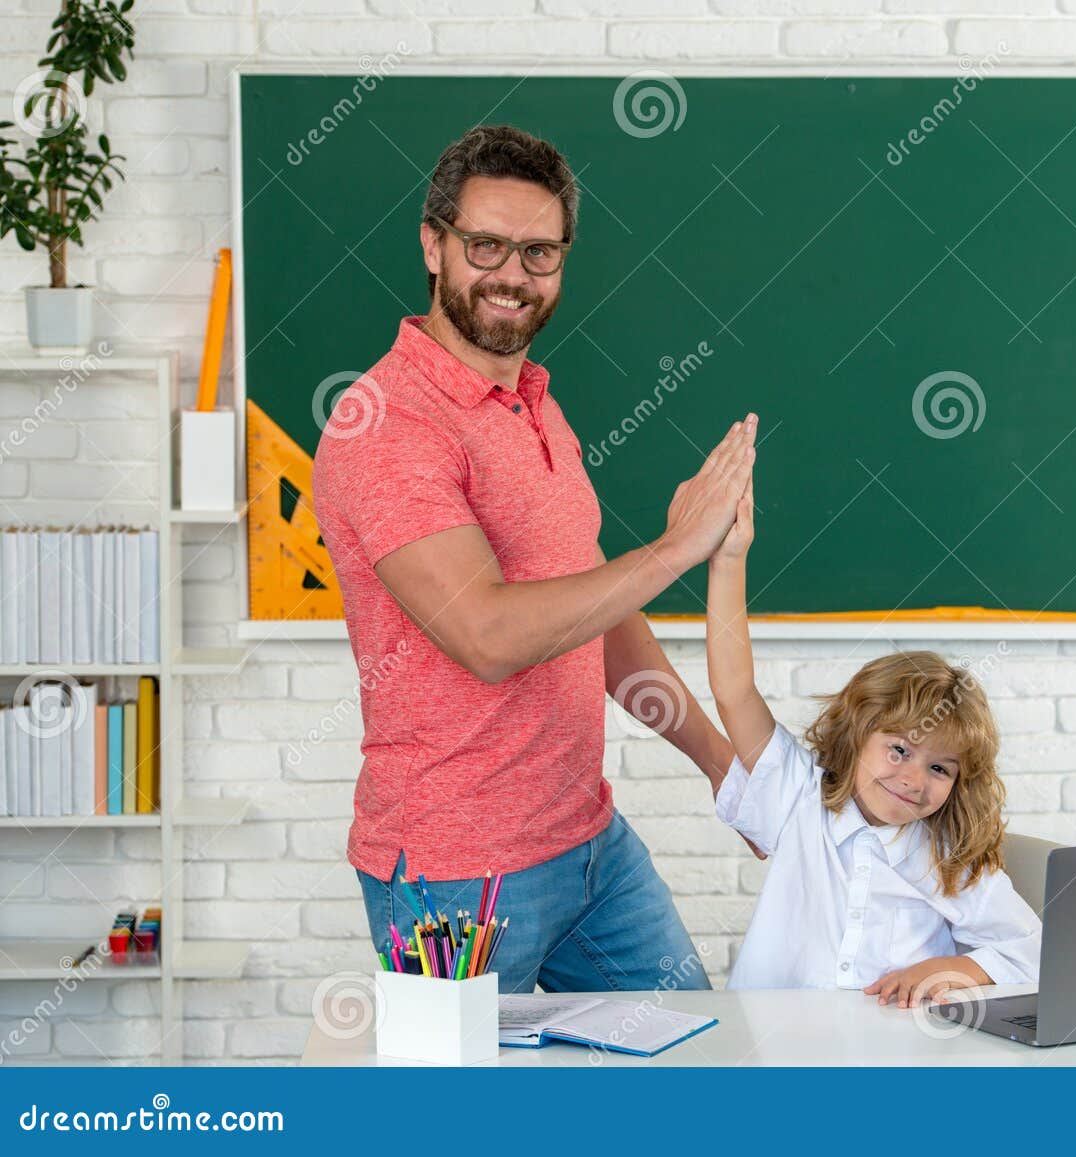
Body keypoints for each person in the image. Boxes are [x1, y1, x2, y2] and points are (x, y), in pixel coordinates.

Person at [312, 124, 756, 994]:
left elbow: (598, 619)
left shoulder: (534, 403)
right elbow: (486, 635)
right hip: (456, 878)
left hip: (589, 846)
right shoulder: (387, 425)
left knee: (693, 1057)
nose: (512, 274)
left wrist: (723, 768)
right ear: (433, 245)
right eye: (486, 245)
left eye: (539, 253)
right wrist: (676, 548)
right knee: (469, 1089)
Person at [703, 458, 1041, 1004]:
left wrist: (951, 967)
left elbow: (1034, 951)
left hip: (892, 1046)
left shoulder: (950, 858)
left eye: (940, 767)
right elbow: (734, 691)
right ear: (857, 736)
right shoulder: (797, 798)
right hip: (770, 1039)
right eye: (899, 749)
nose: (913, 779)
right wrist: (728, 560)